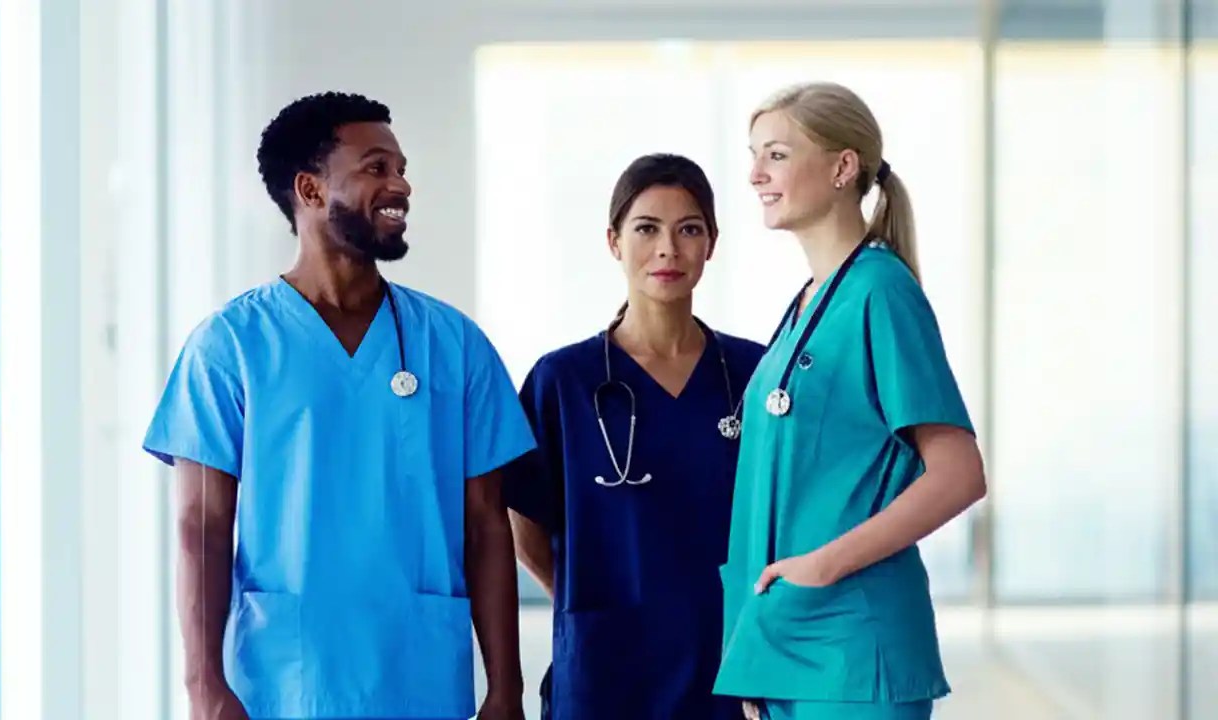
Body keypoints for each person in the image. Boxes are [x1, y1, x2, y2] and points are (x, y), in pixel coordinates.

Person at [142, 92, 535, 720]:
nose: (400, 184)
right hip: (284, 683)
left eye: (402, 168)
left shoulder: (455, 345)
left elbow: (489, 528)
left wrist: (506, 690)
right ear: (311, 189)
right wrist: (203, 687)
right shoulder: (231, 345)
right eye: (376, 167)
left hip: (422, 680)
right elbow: (202, 529)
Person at [713, 82, 988, 720]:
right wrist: (754, 651)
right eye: (753, 155)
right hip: (786, 646)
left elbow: (958, 473)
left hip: (851, 648)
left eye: (776, 155)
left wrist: (824, 566)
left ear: (842, 168)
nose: (755, 175)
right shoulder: (810, 301)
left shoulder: (880, 293)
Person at [504, 154, 763, 720]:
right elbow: (523, 523)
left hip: (729, 661)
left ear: (712, 244)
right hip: (607, 665)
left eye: (689, 229)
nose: (668, 248)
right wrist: (591, 603)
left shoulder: (754, 374)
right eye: (646, 228)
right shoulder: (564, 381)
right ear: (614, 242)